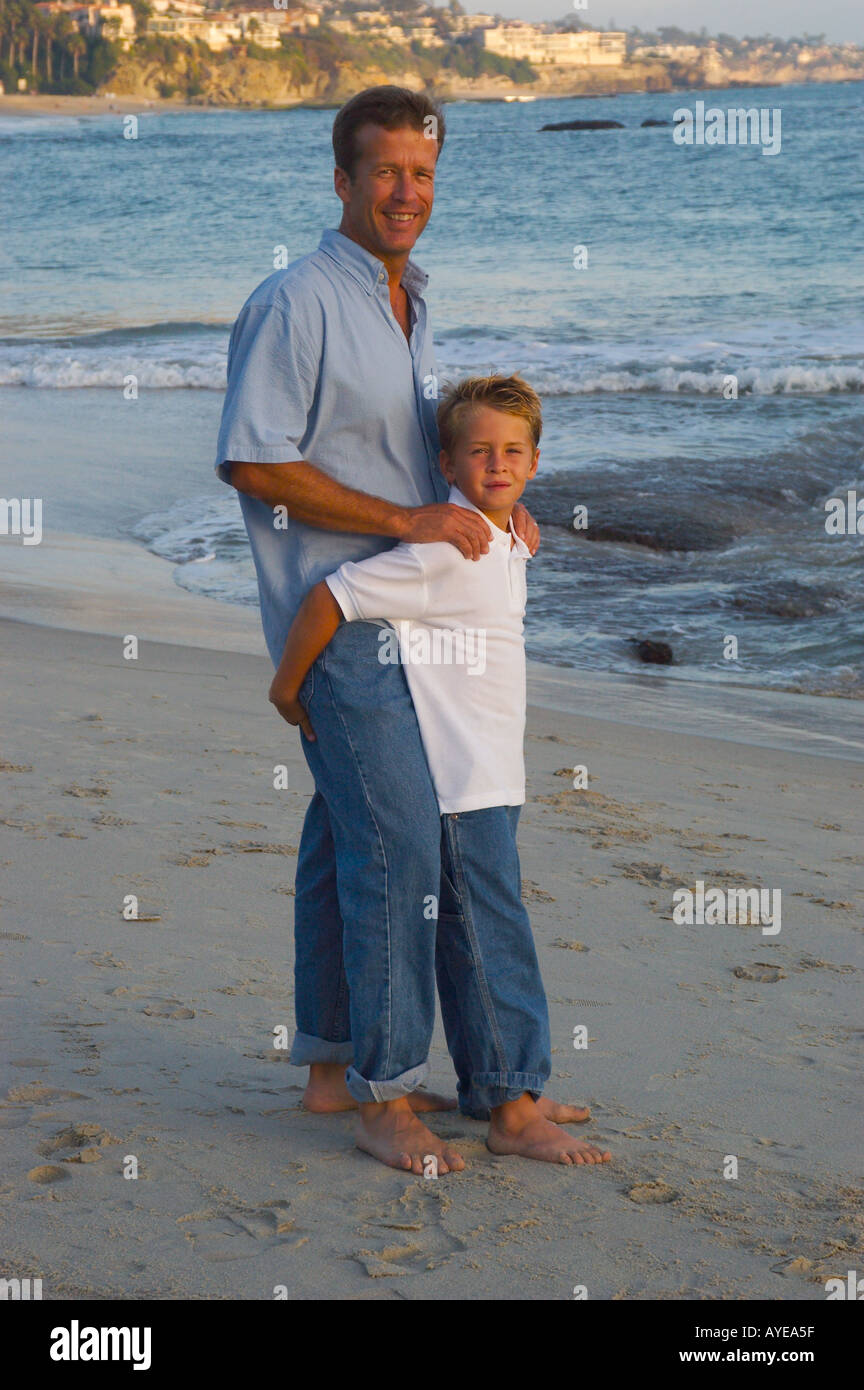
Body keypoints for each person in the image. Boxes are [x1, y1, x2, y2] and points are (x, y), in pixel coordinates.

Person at [216, 85, 590, 1173]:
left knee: (347, 837)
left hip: (412, 613)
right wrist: (406, 519)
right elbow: (255, 459)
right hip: (343, 617)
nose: (405, 192)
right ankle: (390, 1092)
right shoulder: (297, 300)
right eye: (384, 171)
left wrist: (487, 503)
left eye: (422, 172)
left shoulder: (408, 299)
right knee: (400, 849)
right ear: (341, 180)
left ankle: (333, 1072)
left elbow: (411, 455)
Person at [270, 373, 612, 1169]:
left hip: (496, 770)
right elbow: (332, 594)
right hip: (458, 778)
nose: (497, 464)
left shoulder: (510, 540)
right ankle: (512, 1108)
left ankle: (505, 1086)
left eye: (513, 452)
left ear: (534, 463)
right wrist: (287, 687)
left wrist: (518, 529)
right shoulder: (440, 549)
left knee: (486, 929)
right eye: (479, 451)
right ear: (446, 464)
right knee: (492, 928)